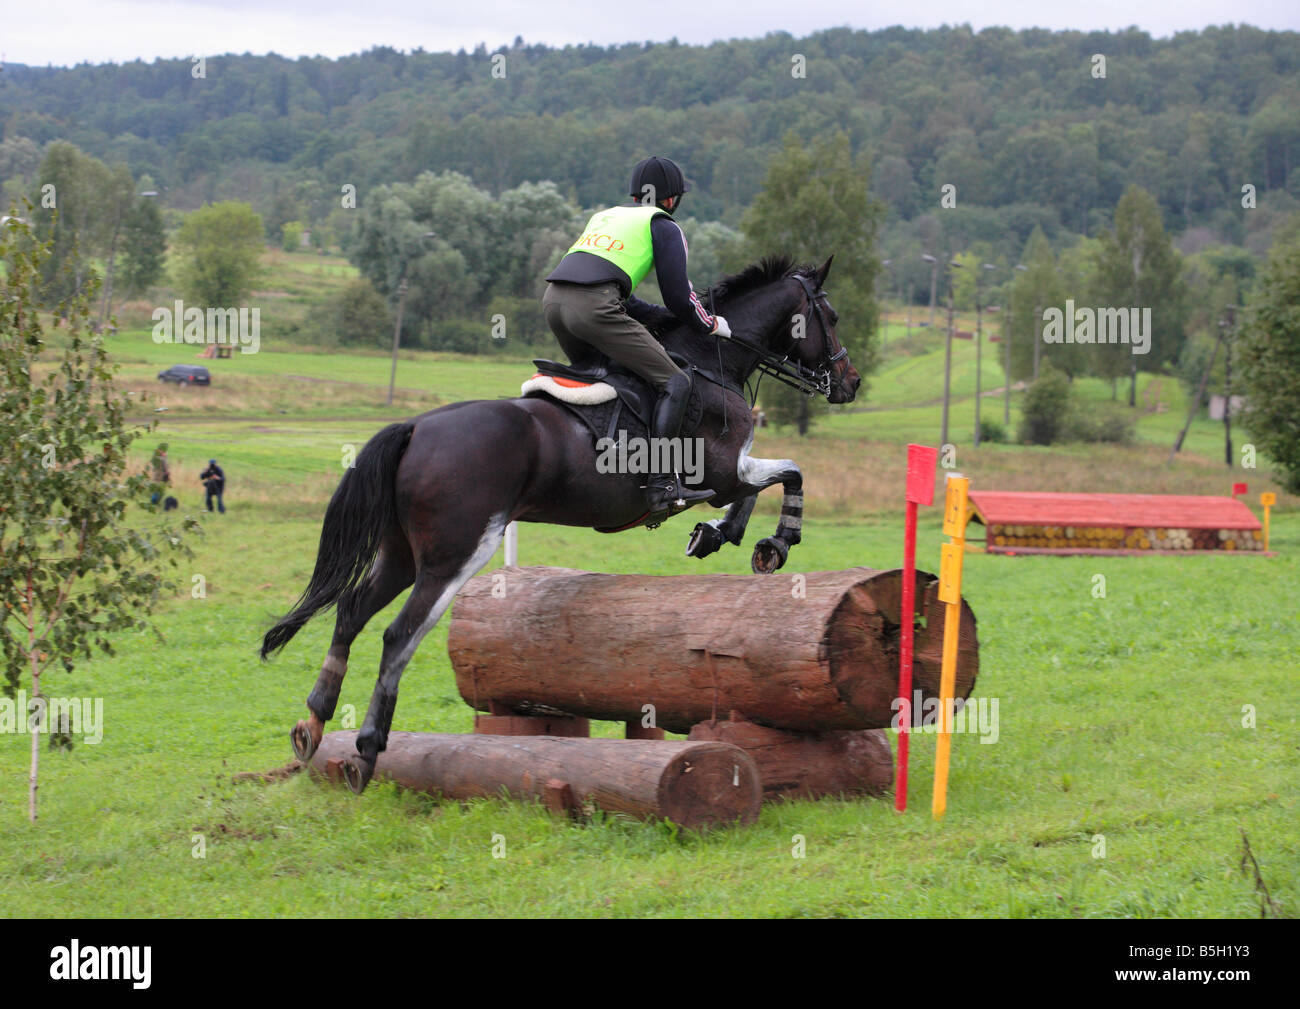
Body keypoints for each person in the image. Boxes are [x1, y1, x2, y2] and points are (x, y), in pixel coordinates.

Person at [543, 156, 730, 513]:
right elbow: (679, 297)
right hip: (594, 308)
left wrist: (659, 317)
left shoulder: (605, 217)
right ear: (672, 200)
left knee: (612, 377)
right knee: (675, 382)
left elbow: (609, 286)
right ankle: (660, 485)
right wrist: (709, 323)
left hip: (554, 303)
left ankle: (605, 464)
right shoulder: (664, 226)